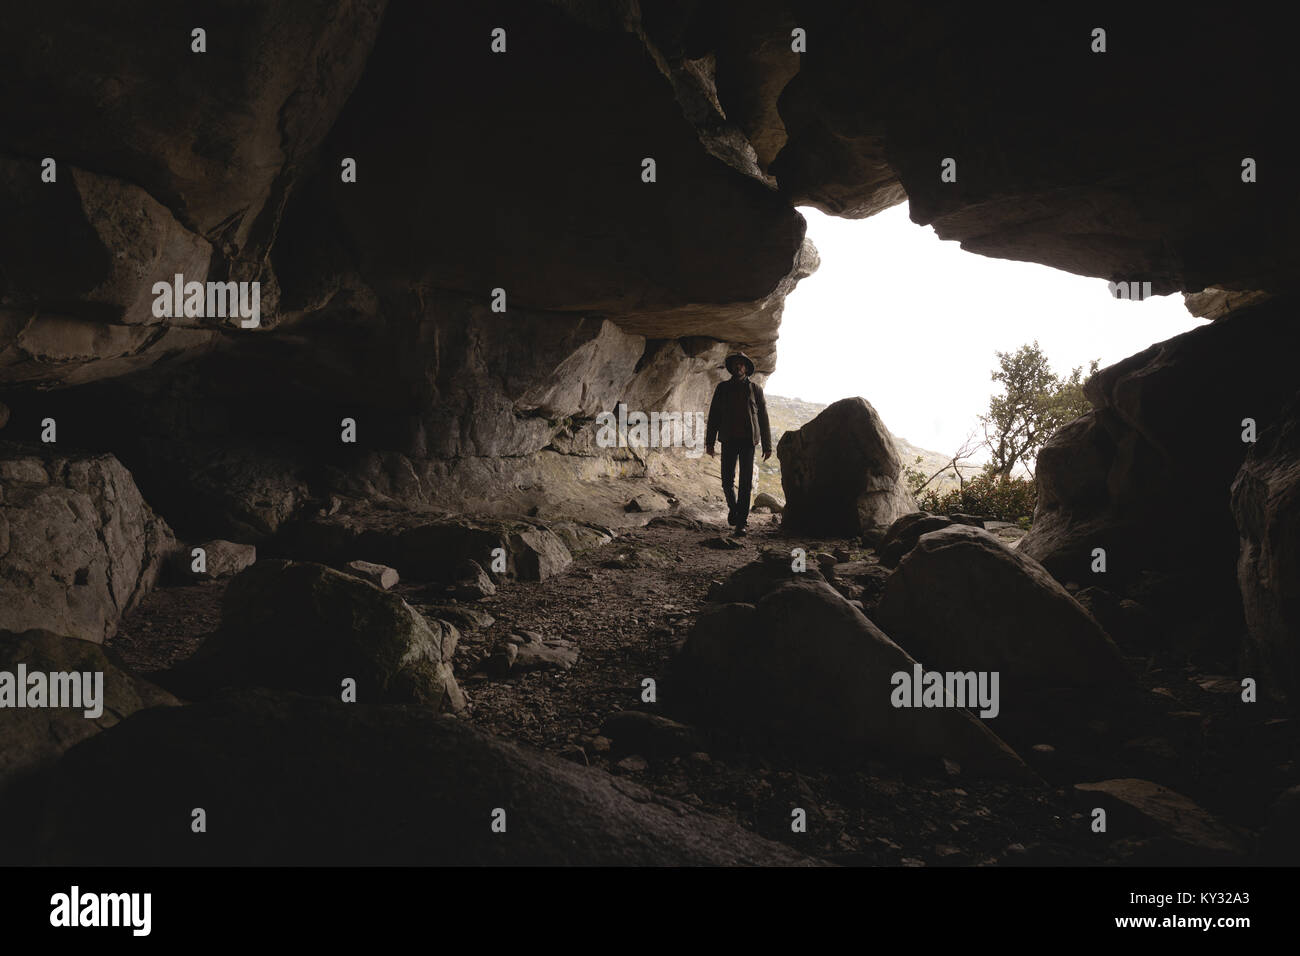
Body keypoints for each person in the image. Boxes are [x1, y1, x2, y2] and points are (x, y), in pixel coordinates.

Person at [705, 352, 772, 536]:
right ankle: (733, 509)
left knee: (745, 483)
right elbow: (714, 417)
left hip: (748, 442)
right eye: (736, 364)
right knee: (727, 481)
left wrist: (767, 445)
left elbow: (763, 418)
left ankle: (741, 522)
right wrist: (709, 442)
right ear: (732, 367)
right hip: (728, 440)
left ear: (746, 368)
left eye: (742, 365)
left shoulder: (755, 390)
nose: (738, 367)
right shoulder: (722, 388)